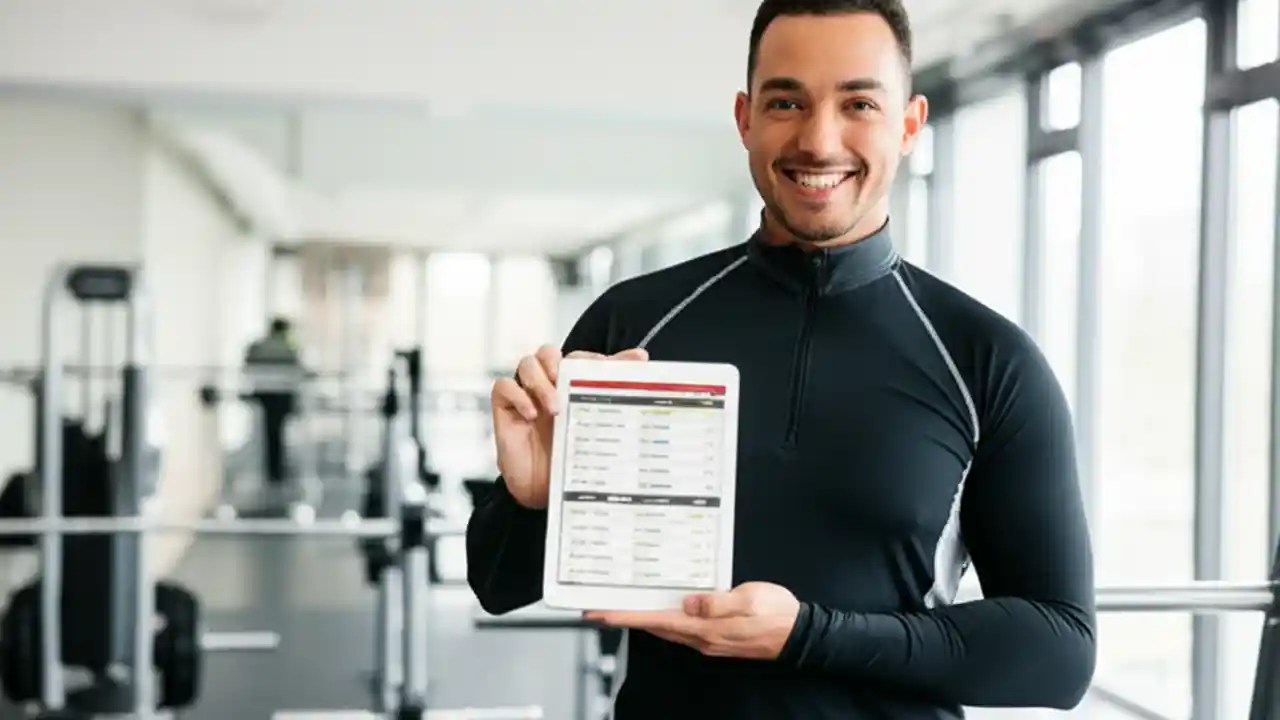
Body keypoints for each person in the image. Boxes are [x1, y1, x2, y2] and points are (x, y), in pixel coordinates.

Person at [467, 0, 1097, 717]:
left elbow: (1060, 654)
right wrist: (533, 503)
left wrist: (808, 636)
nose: (818, 139)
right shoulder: (636, 321)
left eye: (858, 102)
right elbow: (497, 583)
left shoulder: (986, 359)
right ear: (745, 118)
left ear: (910, 123)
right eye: (786, 101)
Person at [244, 317, 303, 487]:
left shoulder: (259, 347)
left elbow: (248, 364)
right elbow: (297, 371)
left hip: (265, 396)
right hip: (281, 396)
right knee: (276, 435)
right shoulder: (289, 348)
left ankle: (273, 472)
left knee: (270, 434)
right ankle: (276, 473)